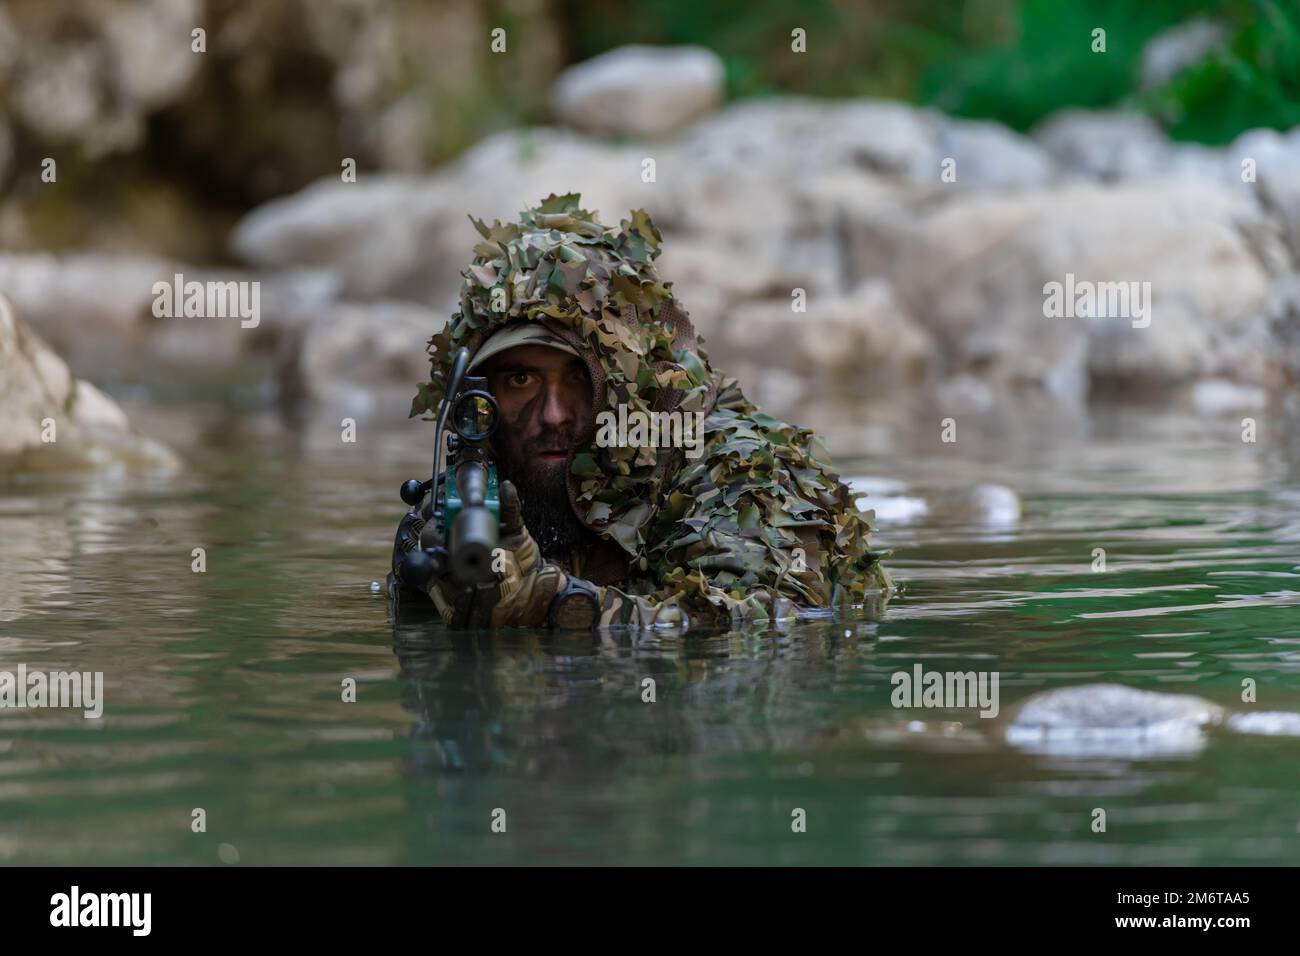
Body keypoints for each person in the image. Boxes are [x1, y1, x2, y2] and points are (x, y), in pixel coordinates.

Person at [389, 193, 891, 629]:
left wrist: (548, 605)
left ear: (628, 384)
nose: (554, 415)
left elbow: (775, 624)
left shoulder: (739, 468)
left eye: (580, 379)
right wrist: (435, 579)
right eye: (521, 379)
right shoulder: (502, 478)